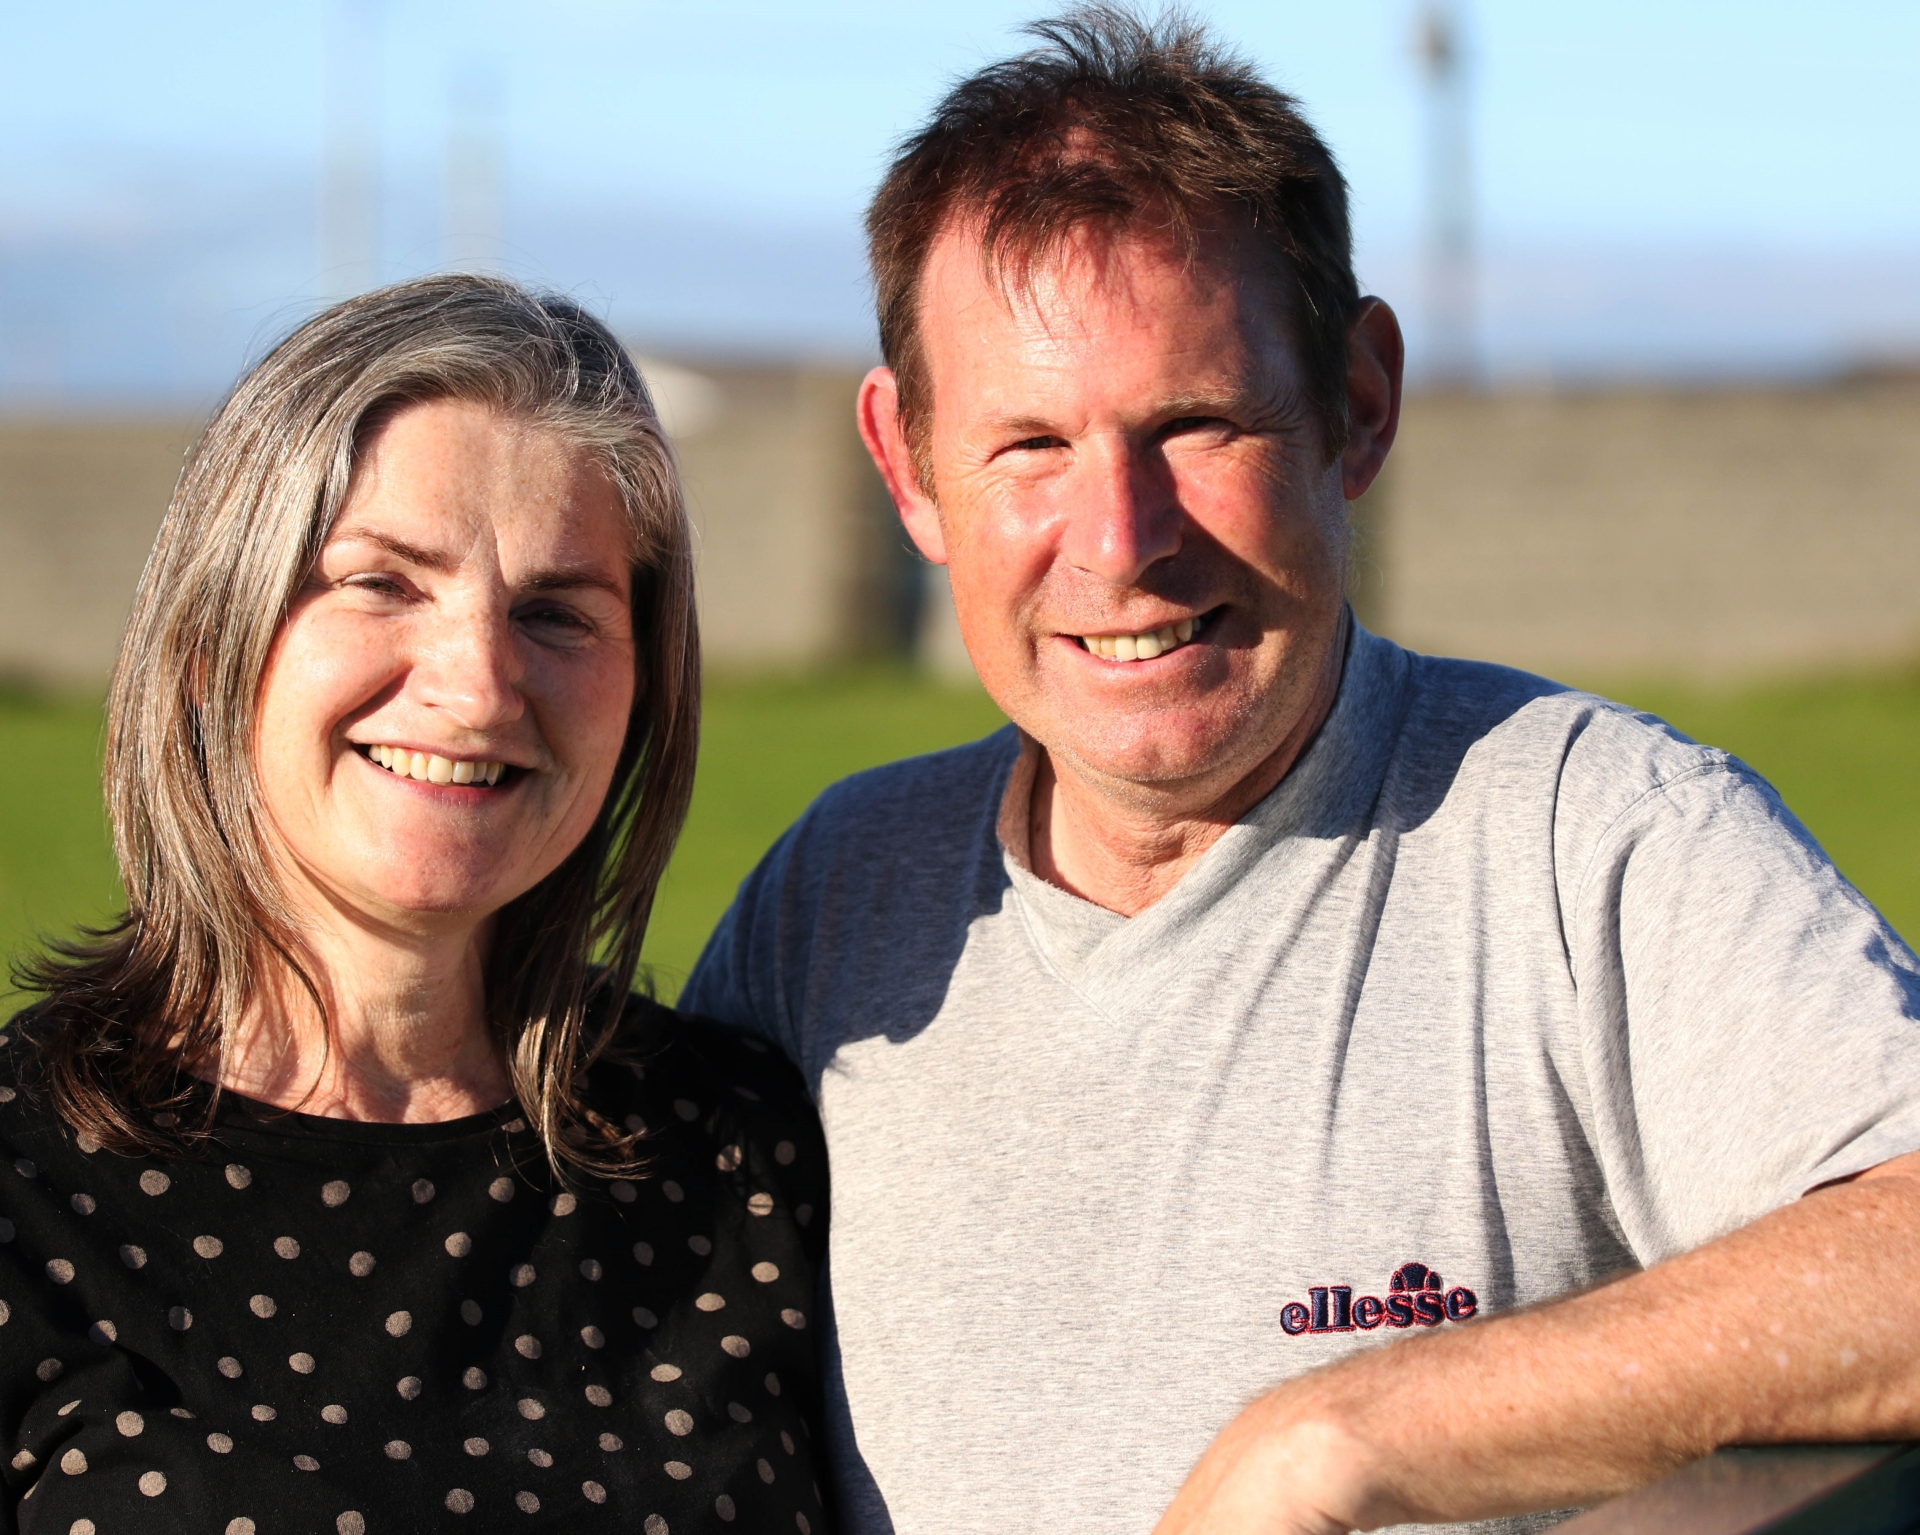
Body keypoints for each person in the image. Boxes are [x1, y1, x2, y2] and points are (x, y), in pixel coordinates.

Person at [683, 9, 1920, 1534]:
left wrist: (1349, 1426)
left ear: (1362, 403)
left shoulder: (1586, 834)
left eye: (1199, 423)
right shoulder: (835, 899)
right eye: (1029, 446)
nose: (1122, 541)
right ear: (906, 466)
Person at [0, 275, 829, 1535]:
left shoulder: (742, 1157)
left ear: (644, 691)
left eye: (557, 612)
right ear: (215, 635)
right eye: (383, 583)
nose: (479, 684)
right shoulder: (22, 1180)